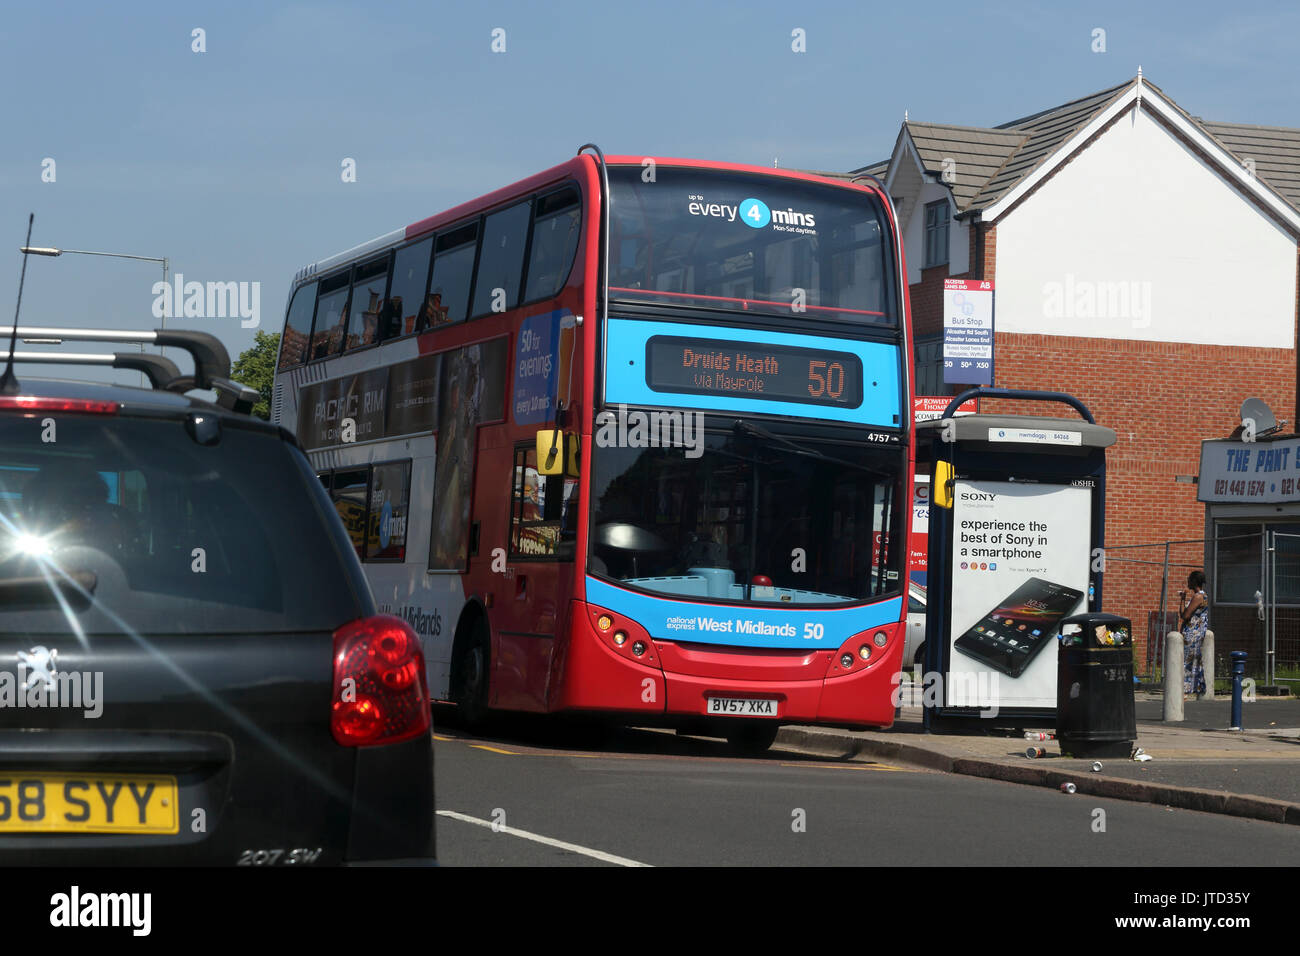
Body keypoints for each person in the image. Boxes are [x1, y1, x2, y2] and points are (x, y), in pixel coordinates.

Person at [1179, 570, 1209, 700]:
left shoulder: (1198, 597)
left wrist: (1183, 600)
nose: (1187, 582)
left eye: (1189, 580)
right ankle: (1198, 687)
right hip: (1197, 633)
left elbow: (1185, 615)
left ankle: (1185, 690)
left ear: (1194, 582)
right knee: (1195, 661)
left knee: (1186, 662)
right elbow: (1183, 615)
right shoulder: (1203, 595)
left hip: (1192, 634)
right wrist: (1183, 600)